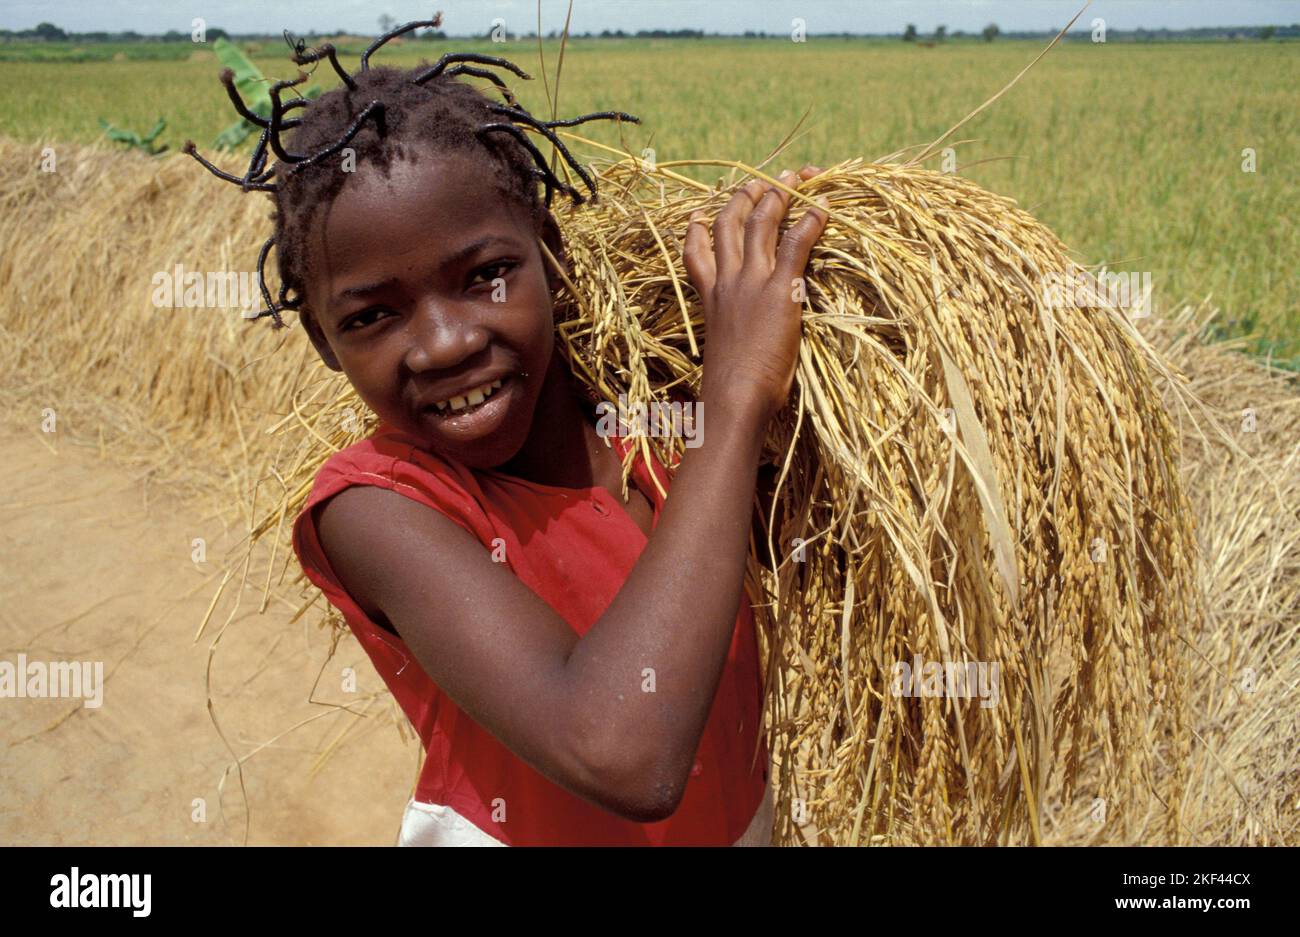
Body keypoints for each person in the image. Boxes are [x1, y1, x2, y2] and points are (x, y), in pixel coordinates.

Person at [190, 23, 828, 845]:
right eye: (374, 315)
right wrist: (738, 393)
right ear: (323, 342)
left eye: (486, 275)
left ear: (550, 256)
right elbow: (624, 753)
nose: (447, 342)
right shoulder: (379, 511)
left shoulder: (660, 428)